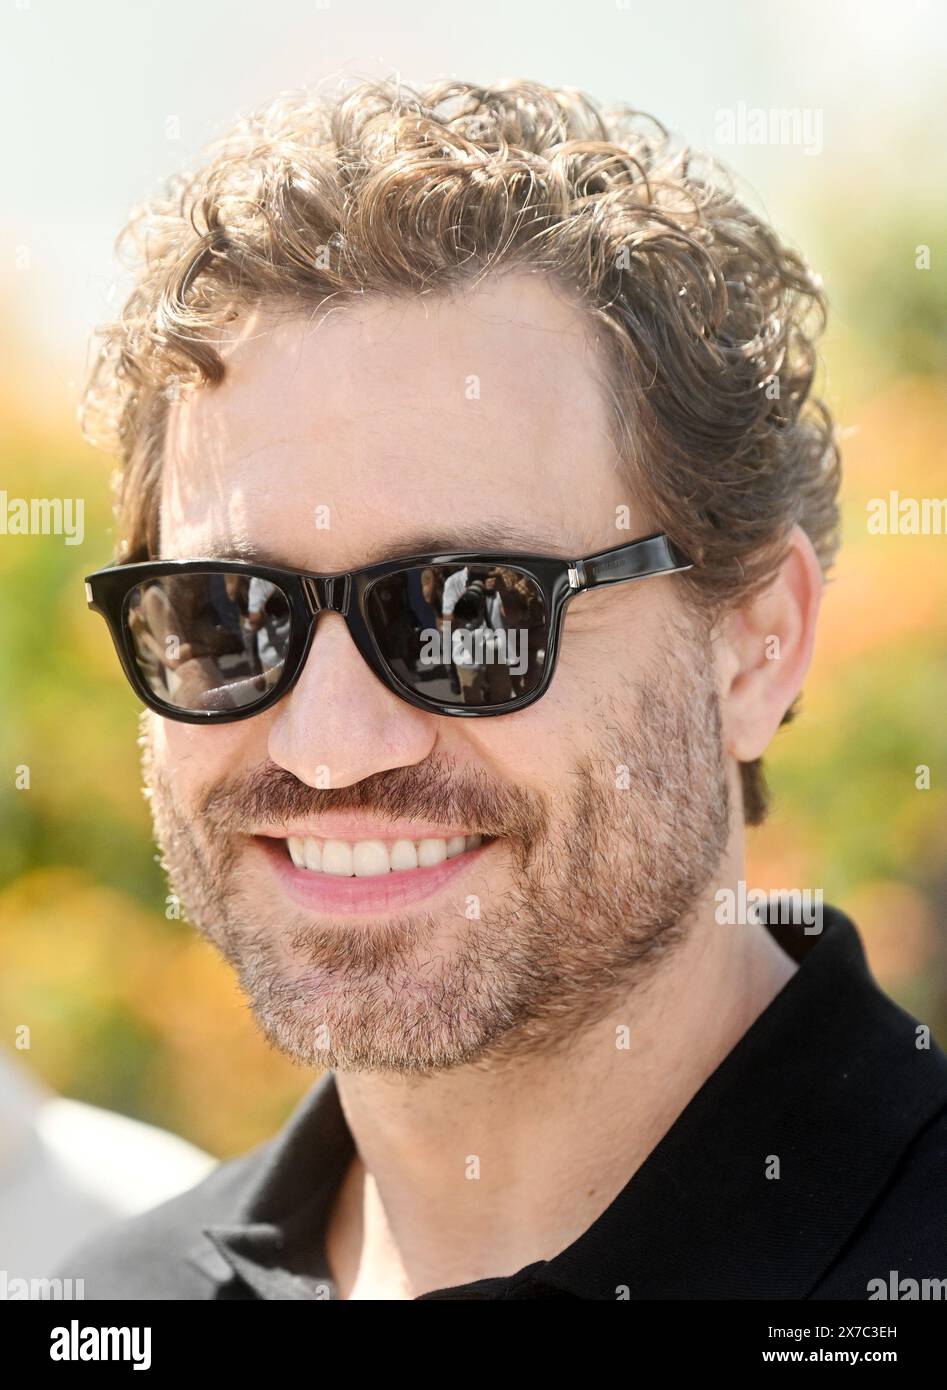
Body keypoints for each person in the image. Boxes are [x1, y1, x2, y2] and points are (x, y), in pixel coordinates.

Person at [61, 78, 947, 1301]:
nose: (327, 747)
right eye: (228, 615)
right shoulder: (110, 1302)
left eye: (466, 610)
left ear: (753, 644)